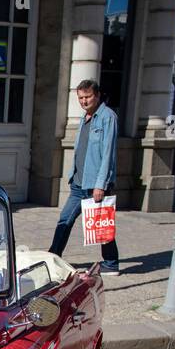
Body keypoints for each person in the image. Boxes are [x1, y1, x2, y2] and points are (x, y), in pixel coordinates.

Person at [48, 79, 120, 272]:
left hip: (95, 185)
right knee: (64, 220)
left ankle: (111, 263)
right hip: (78, 184)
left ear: (96, 95)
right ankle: (53, 256)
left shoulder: (107, 117)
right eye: (80, 98)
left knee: (101, 226)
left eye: (87, 97)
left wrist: (101, 185)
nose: (84, 101)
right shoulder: (85, 117)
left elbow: (108, 153)